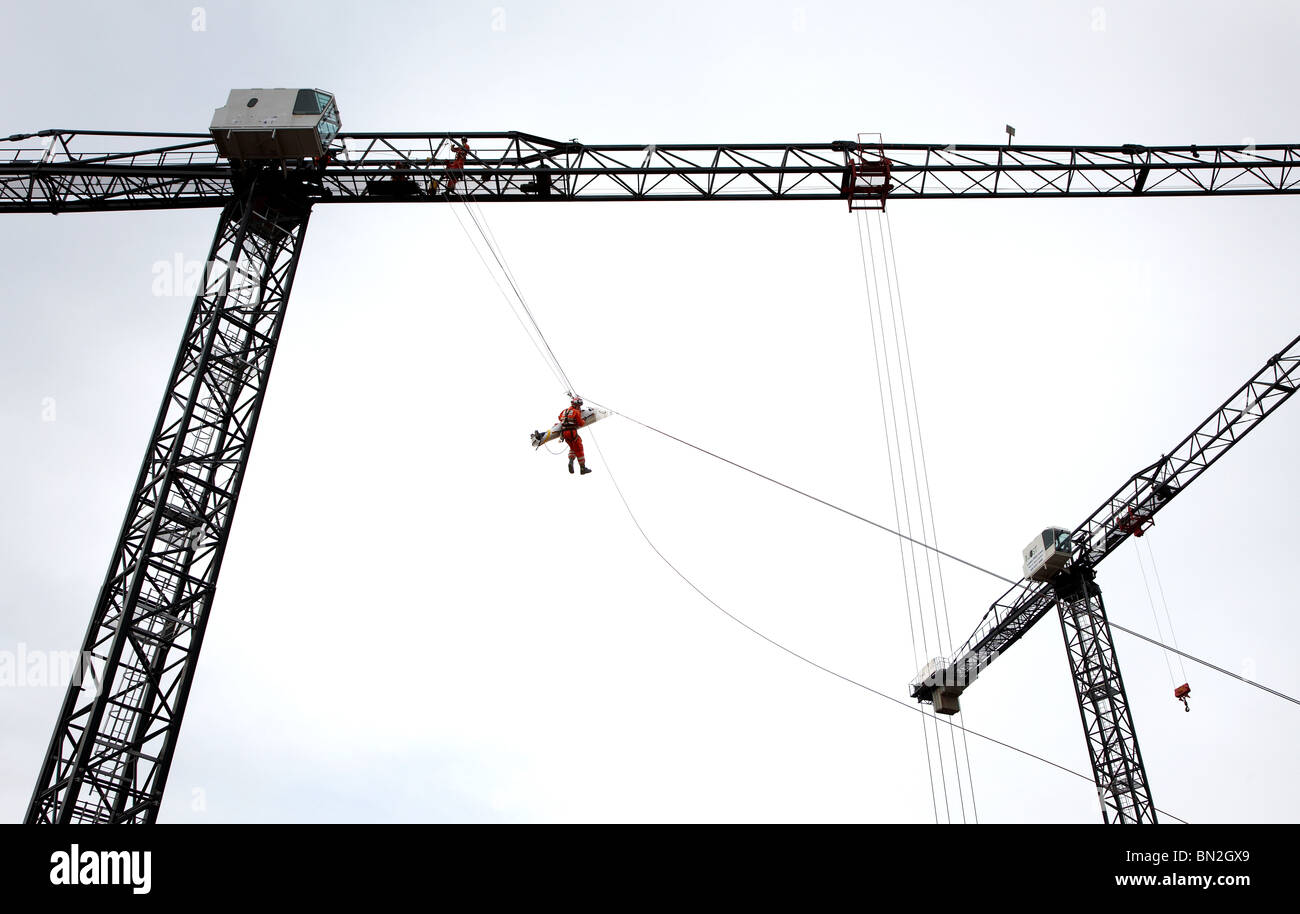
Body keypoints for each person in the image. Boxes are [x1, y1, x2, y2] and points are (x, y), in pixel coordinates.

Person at [560, 396, 592, 475]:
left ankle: (571, 461)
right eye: (579, 406)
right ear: (576, 405)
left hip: (564, 433)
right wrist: (584, 420)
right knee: (579, 448)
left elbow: (560, 418)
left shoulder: (564, 411)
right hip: (572, 432)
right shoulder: (576, 412)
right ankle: (582, 468)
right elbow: (580, 423)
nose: (579, 407)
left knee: (572, 447)